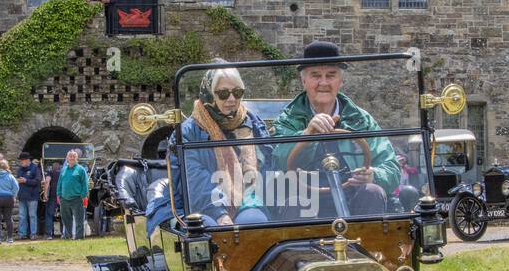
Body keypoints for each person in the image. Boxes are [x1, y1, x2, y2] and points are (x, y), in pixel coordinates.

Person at [269, 40, 399, 218]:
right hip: (305, 201)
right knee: (295, 200)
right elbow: (277, 164)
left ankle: (368, 246)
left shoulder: (361, 120)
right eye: (315, 75)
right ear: (304, 80)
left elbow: (391, 167)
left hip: (353, 200)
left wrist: (373, 175)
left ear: (340, 81)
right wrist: (307, 135)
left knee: (373, 191)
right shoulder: (288, 120)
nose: (323, 82)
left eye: (331, 75)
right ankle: (297, 247)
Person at [144, 61, 271, 234]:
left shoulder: (253, 123)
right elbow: (194, 180)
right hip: (196, 203)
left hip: (248, 199)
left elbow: (267, 166)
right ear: (210, 95)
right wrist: (220, 214)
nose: (232, 99)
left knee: (255, 223)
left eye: (237, 92)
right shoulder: (188, 132)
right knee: (209, 230)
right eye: (223, 93)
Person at [57, 148, 90, 239]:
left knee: (79, 220)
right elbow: (60, 183)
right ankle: (67, 236)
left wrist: (83, 196)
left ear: (77, 158)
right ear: (67, 158)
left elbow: (85, 184)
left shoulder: (81, 170)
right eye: (70, 156)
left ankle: (79, 237)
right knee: (66, 219)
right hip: (64, 199)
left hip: (77, 199)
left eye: (73, 156)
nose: (71, 158)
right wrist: (58, 194)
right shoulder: (63, 170)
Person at [15, 151, 43, 240]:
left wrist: (26, 181)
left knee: (32, 215)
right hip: (22, 196)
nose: (20, 162)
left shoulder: (35, 169)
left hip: (32, 196)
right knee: (22, 216)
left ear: (27, 160)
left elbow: (38, 181)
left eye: (22, 161)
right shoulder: (20, 170)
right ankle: (22, 234)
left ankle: (33, 234)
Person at [41, 158, 60, 239]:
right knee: (64, 214)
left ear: (52, 167)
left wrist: (45, 193)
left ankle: (49, 234)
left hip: (52, 195)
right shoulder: (63, 173)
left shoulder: (50, 173)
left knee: (49, 215)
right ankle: (64, 233)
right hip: (62, 195)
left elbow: (47, 181)